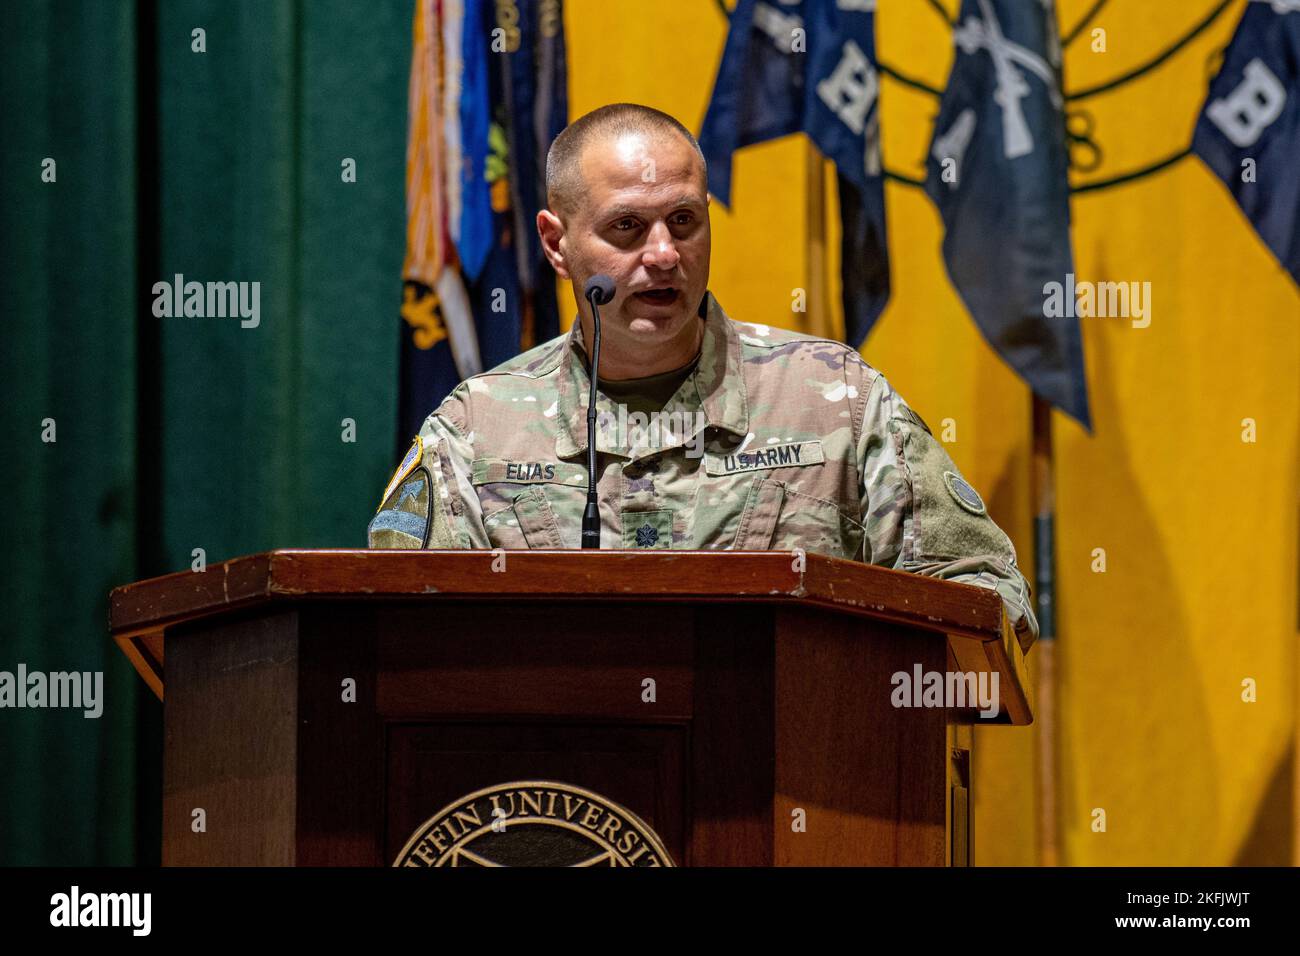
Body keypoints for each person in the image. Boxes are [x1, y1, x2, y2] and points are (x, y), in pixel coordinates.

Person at [369, 103, 1039, 651]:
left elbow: (989, 600)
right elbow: (391, 635)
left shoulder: (835, 401)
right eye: (627, 227)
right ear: (555, 243)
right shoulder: (478, 429)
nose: (663, 255)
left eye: (683, 221)